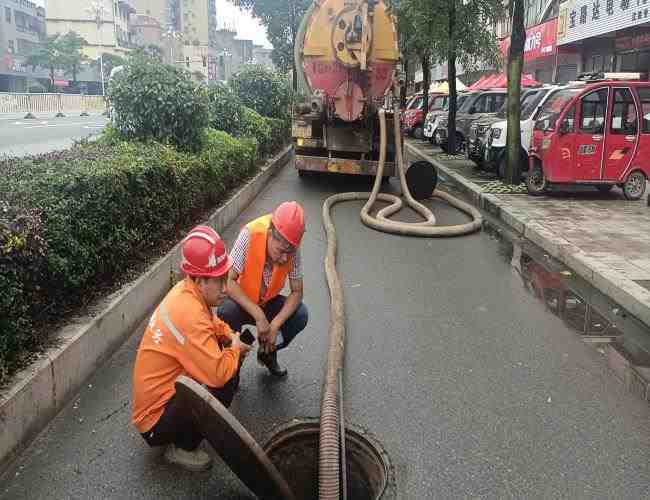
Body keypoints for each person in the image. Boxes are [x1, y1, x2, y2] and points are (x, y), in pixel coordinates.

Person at [132, 225, 251, 472]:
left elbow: (213, 324)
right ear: (199, 279)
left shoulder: (186, 292)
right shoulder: (189, 313)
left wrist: (230, 337)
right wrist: (236, 350)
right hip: (154, 424)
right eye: (219, 280)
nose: (226, 288)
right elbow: (218, 375)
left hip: (159, 401)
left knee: (222, 351)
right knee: (224, 382)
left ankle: (183, 429)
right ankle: (183, 447)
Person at [218, 201, 308, 377]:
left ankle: (267, 352)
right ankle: (233, 362)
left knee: (300, 314)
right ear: (270, 234)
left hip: (267, 300)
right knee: (226, 311)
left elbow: (297, 291)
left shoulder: (292, 248)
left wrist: (275, 325)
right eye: (280, 251)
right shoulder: (249, 234)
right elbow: (227, 281)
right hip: (242, 300)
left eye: (289, 253)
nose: (284, 258)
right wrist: (259, 315)